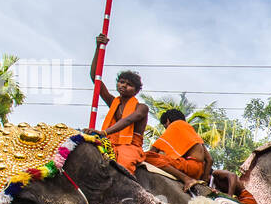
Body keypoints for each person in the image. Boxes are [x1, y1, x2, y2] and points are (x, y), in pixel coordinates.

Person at [90, 33, 149, 173]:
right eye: (121, 82)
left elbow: (128, 120)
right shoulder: (113, 102)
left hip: (130, 147)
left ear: (136, 90)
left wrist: (103, 132)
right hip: (108, 142)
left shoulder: (142, 108)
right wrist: (98, 47)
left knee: (123, 166)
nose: (123, 86)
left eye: (129, 84)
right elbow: (95, 77)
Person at [145, 109, 213, 193]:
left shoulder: (175, 125)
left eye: (165, 126)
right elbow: (209, 160)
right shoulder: (192, 131)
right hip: (198, 171)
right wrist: (204, 181)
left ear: (168, 121)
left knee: (147, 156)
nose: (166, 130)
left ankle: (186, 179)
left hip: (189, 167)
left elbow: (153, 152)